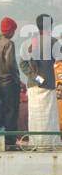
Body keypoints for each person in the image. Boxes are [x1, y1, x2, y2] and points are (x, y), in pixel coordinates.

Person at [22, 13, 59, 148]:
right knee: (49, 117)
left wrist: (36, 78)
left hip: (33, 85)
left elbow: (23, 64)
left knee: (35, 116)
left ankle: (37, 144)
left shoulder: (29, 42)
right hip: (48, 84)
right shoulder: (53, 42)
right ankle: (50, 144)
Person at [0, 18, 21, 137]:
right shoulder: (9, 43)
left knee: (3, 111)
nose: (14, 34)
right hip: (9, 81)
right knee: (12, 112)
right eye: (13, 30)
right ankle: (10, 140)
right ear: (10, 30)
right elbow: (10, 63)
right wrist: (17, 78)